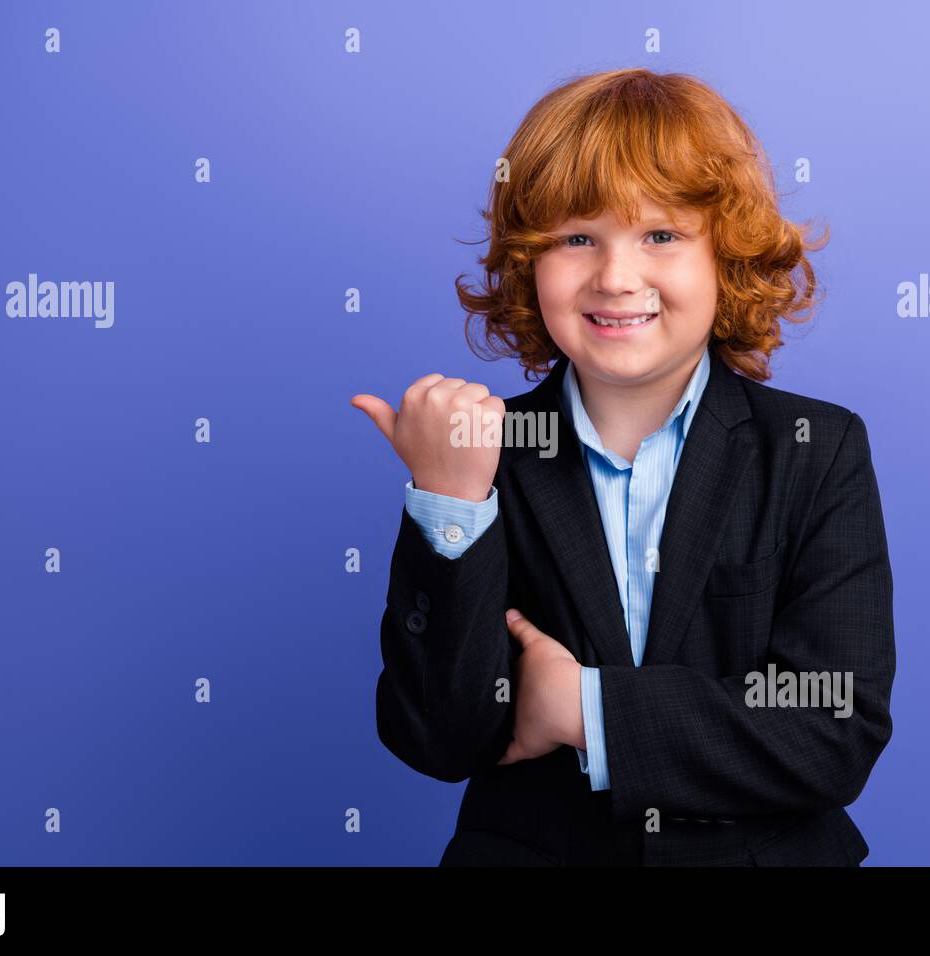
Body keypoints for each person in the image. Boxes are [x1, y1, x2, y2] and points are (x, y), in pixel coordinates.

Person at [352, 68, 895, 866]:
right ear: (529, 263)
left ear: (727, 257)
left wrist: (585, 708)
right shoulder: (484, 454)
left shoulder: (818, 448)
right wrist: (450, 499)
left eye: (662, 236)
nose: (615, 277)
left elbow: (832, 728)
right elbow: (439, 737)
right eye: (577, 238)